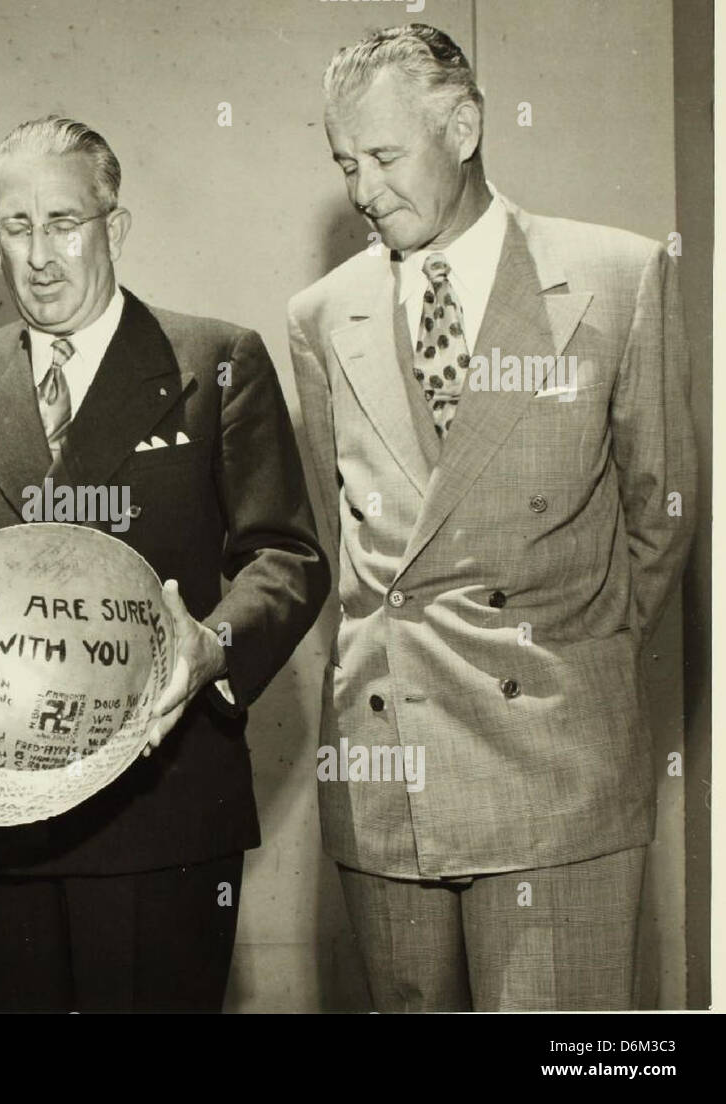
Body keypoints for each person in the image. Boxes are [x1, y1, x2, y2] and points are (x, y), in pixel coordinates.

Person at [0, 116, 328, 1013]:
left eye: (64, 223)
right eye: (16, 226)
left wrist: (213, 646)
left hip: (163, 804)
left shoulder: (216, 361)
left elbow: (285, 554)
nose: (39, 255)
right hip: (7, 806)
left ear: (115, 227)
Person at [287, 24, 696, 1011]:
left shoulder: (615, 277)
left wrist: (570, 655)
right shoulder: (319, 314)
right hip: (389, 771)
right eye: (345, 163)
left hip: (557, 765)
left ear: (463, 127)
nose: (362, 189)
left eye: (384, 156)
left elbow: (663, 510)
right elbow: (338, 542)